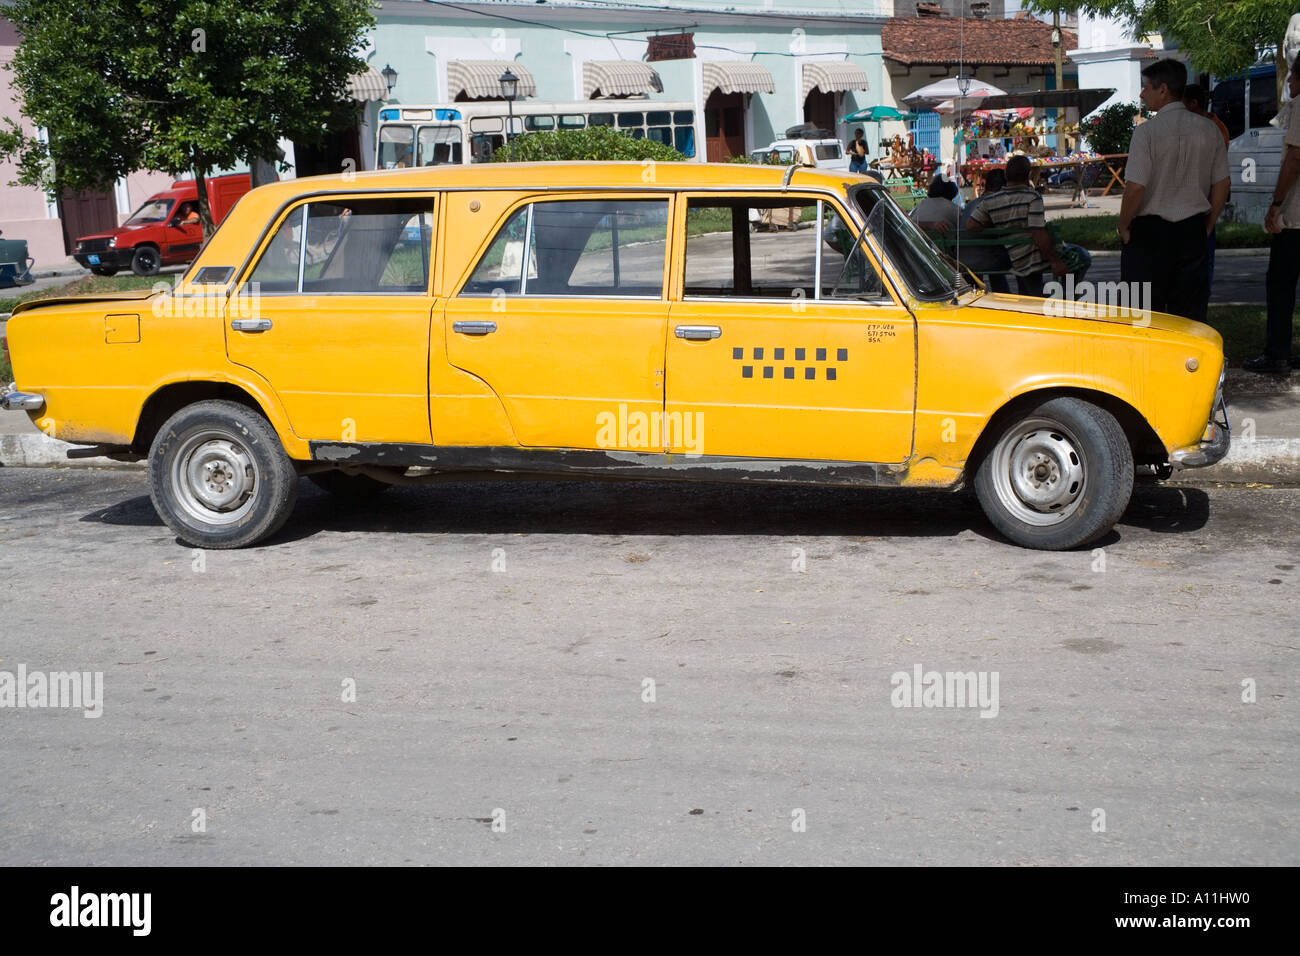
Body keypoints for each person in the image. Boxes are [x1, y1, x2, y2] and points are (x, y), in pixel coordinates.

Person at [1118, 58, 1229, 324]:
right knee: (1189, 320)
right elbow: (1222, 183)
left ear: (1163, 89)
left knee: (1143, 320)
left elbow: (1135, 188)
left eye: (1146, 87)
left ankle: (1146, 366)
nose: (1143, 94)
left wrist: (1123, 226)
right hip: (1192, 230)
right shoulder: (1209, 130)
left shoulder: (1146, 133)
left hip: (1149, 235)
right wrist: (1208, 224)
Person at [1244, 56, 1300, 373]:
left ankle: (1277, 354)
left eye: (1293, 75)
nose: (1289, 81)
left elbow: (1294, 158)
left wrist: (1276, 203)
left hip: (1295, 219)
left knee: (1280, 287)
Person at [966, 154, 1066, 297]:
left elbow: (970, 225)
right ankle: (1068, 298)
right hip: (1031, 258)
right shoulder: (1033, 197)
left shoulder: (991, 201)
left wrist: (996, 223)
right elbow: (1038, 232)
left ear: (1007, 176)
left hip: (1012, 255)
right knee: (1081, 257)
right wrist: (1055, 260)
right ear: (1028, 175)